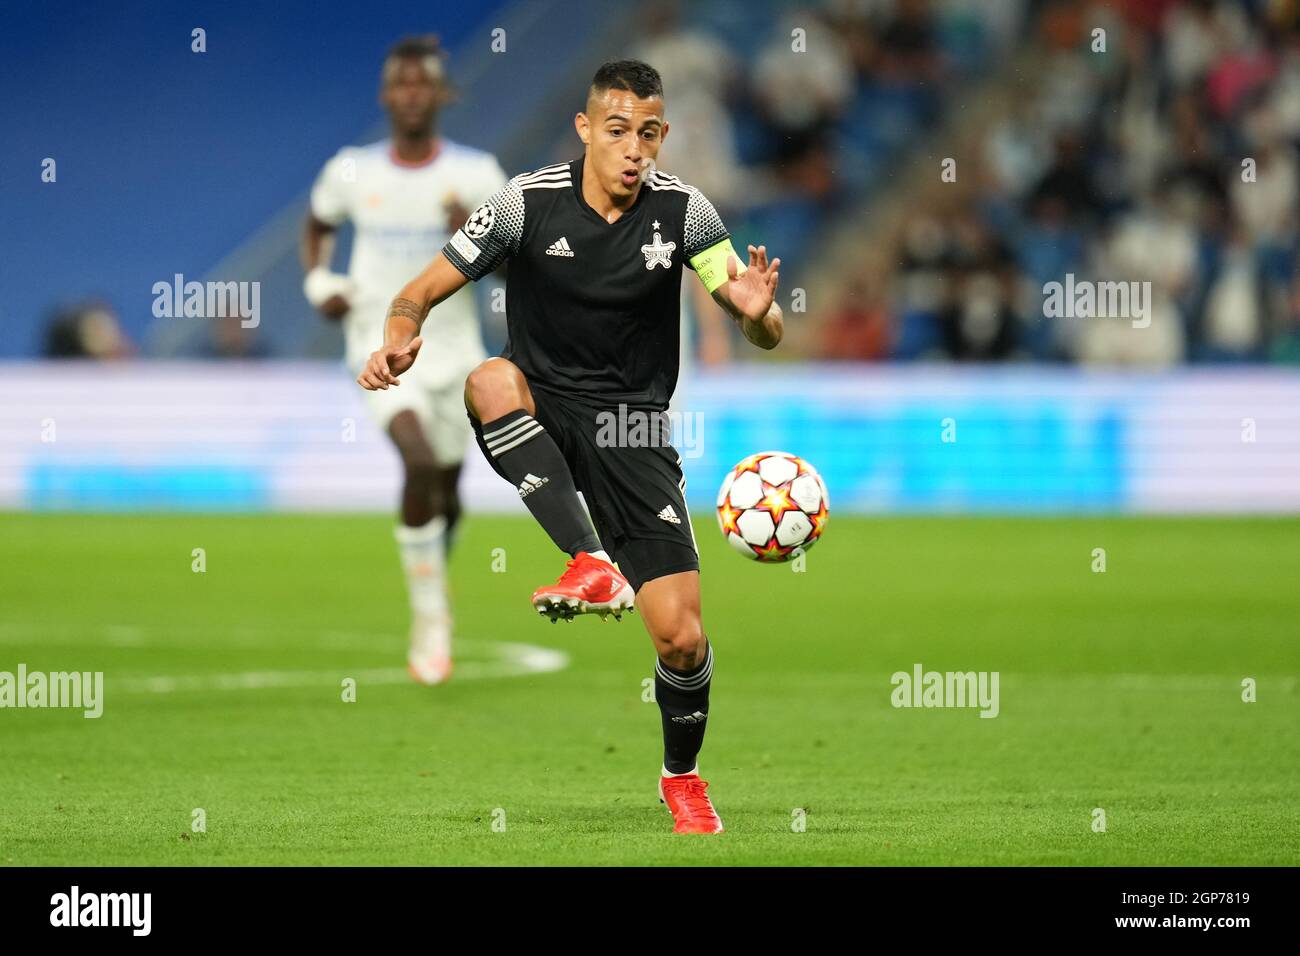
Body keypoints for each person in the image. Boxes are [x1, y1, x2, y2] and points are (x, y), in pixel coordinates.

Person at [358, 60, 783, 834]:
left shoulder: (685, 213)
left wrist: (758, 315)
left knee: (681, 640)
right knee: (489, 379)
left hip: (635, 429)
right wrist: (396, 340)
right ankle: (588, 560)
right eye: (617, 130)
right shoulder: (524, 204)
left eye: (648, 133)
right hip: (545, 401)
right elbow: (415, 293)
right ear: (585, 129)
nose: (633, 149)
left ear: (662, 136)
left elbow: (760, 320)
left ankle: (681, 777)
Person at [302, 36, 508, 684]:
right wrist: (320, 284)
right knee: (417, 461)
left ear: (442, 95)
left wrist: (477, 227)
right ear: (387, 95)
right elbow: (315, 226)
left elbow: (515, 261)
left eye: (425, 84)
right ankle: (431, 617)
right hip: (381, 342)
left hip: (455, 350)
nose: (413, 94)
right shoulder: (351, 171)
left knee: (446, 489)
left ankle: (433, 576)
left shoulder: (477, 175)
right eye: (402, 83)